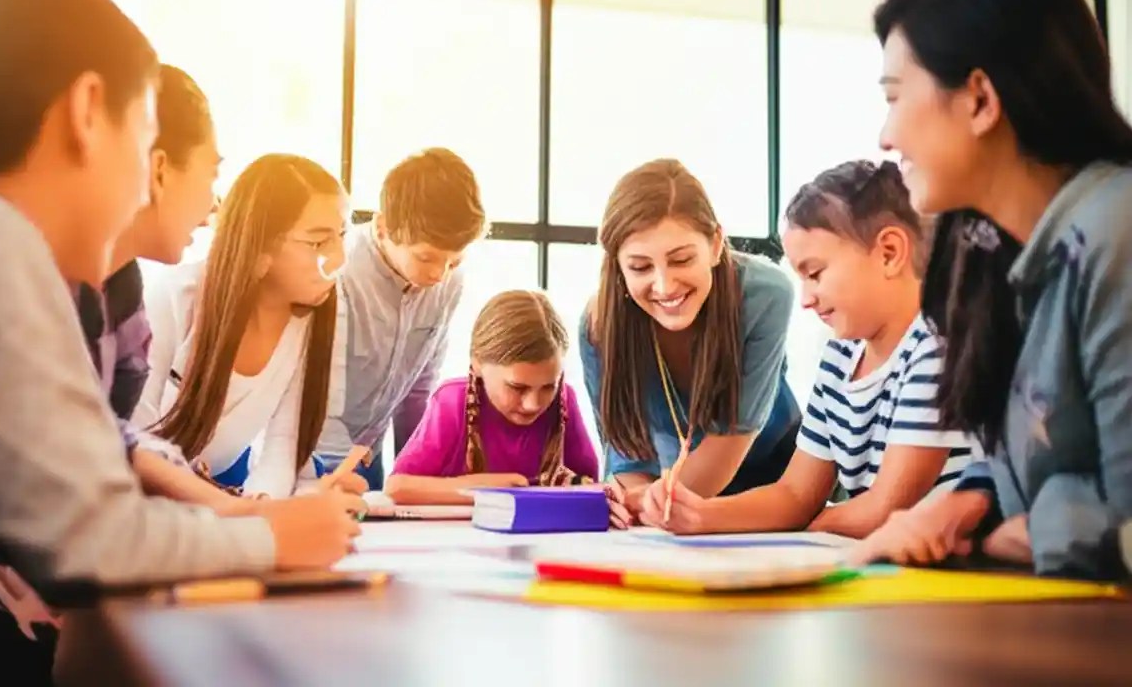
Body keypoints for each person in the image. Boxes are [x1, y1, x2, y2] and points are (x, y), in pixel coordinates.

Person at [0, 0, 361, 681]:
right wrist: (271, 540)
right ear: (87, 112)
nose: (147, 180)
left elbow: (89, 463)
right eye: (145, 135)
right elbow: (89, 541)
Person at [0, 63, 247, 686]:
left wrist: (229, 515)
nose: (214, 203)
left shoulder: (120, 289)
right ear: (159, 168)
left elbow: (103, 446)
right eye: (213, 172)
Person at [852, 0, 1132, 581]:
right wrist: (974, 500)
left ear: (980, 99)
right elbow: (1044, 456)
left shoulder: (1117, 231)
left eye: (895, 97)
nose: (886, 136)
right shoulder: (994, 255)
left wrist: (1040, 528)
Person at [645, 160, 979, 536]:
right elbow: (795, 494)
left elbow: (885, 508)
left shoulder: (935, 348)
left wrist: (814, 525)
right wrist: (701, 515)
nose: (805, 299)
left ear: (888, 253)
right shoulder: (841, 357)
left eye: (815, 274)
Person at [580, 158, 802, 529]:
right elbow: (625, 454)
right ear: (617, 265)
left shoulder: (765, 294)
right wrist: (637, 499)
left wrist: (648, 504)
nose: (664, 286)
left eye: (681, 259)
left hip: (772, 487)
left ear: (715, 244)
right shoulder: (598, 325)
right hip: (667, 499)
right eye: (640, 267)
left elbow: (729, 442)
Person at [135, 153, 367, 499]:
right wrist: (235, 510)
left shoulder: (318, 316)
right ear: (259, 247)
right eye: (319, 242)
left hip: (208, 503)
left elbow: (283, 447)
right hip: (143, 499)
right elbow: (133, 435)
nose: (339, 259)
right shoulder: (178, 296)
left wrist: (265, 509)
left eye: (342, 235)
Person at [316, 148, 487, 490]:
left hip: (369, 450)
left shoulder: (449, 280)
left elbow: (419, 385)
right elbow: (318, 387)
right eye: (426, 258)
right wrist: (333, 476)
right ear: (382, 227)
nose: (439, 274)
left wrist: (416, 472)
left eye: (454, 261)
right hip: (315, 452)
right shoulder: (341, 271)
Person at [386, 290, 599, 504]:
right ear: (477, 364)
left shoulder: (564, 401)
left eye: (549, 387)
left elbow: (591, 488)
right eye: (517, 387)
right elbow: (397, 488)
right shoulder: (452, 403)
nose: (533, 404)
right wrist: (483, 489)